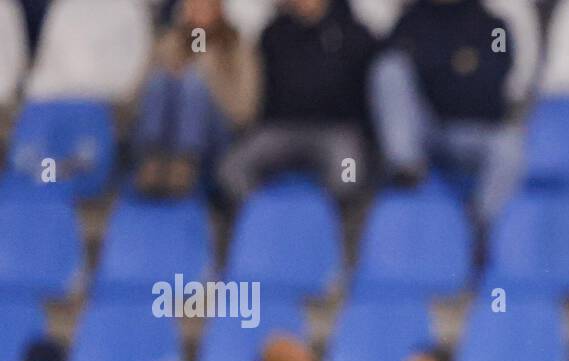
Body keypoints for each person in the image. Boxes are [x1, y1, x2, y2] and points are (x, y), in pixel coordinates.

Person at [368, 0, 519, 227]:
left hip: (470, 131)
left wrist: (438, 68)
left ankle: (481, 227)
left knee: (508, 145)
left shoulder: (494, 28)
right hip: (424, 128)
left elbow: (492, 81)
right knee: (389, 69)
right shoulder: (411, 21)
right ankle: (406, 169)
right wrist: (459, 65)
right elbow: (392, 73)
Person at [217, 0, 375, 205]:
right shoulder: (273, 34)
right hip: (280, 130)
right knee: (230, 171)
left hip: (337, 131)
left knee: (349, 177)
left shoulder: (353, 33)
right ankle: (267, 217)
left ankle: (324, 221)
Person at [133, 0, 261, 199]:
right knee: (160, 80)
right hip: (167, 134)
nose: (198, 12)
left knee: (194, 81)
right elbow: (141, 93)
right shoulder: (172, 39)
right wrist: (170, 64)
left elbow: (245, 111)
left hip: (217, 136)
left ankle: (184, 163)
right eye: (192, 6)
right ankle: (152, 159)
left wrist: (211, 77)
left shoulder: (237, 45)